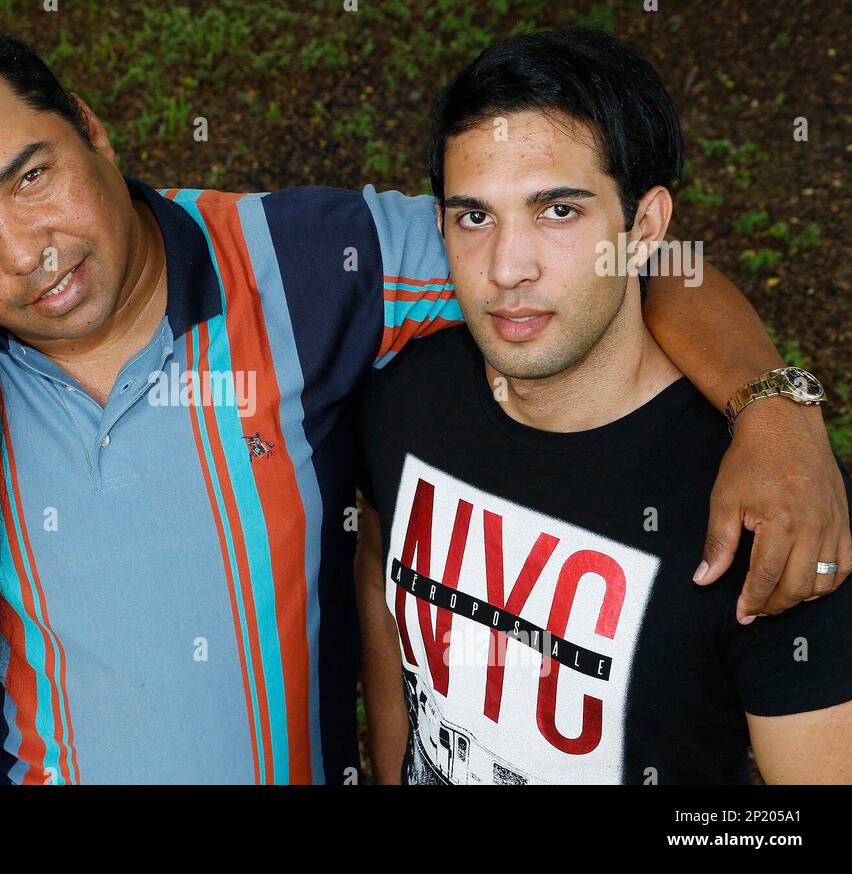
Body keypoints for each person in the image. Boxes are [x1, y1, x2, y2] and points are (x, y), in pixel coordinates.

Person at [0, 29, 848, 784]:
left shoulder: (309, 264)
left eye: (32, 176)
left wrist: (774, 403)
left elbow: (619, 259)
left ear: (98, 134)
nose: (22, 252)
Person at [355, 28, 852, 784]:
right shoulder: (404, 402)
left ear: (644, 227)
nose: (506, 269)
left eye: (558, 212)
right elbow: (381, 566)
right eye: (474, 216)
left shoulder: (768, 510)